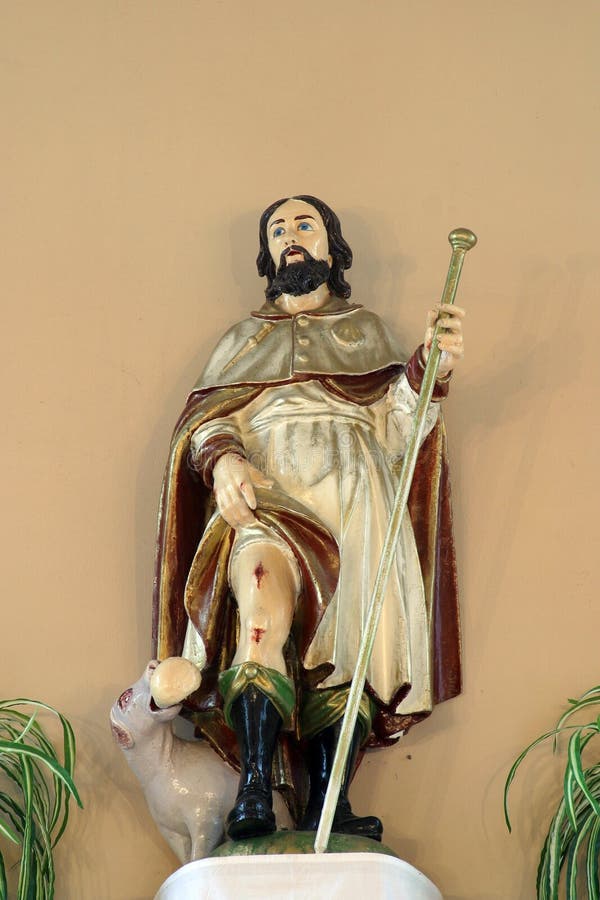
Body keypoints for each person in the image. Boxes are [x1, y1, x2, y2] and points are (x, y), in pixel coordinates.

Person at [153, 195, 463, 843]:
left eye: (305, 225)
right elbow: (206, 424)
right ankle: (255, 787)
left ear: (331, 247)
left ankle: (330, 801)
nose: (291, 236)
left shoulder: (368, 332)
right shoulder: (243, 340)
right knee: (260, 614)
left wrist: (430, 369)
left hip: (358, 503)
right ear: (267, 254)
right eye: (279, 229)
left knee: (348, 648)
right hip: (268, 501)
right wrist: (223, 460)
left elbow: (402, 429)